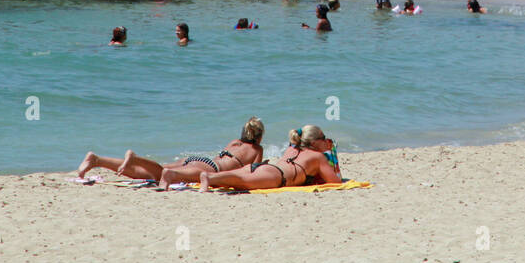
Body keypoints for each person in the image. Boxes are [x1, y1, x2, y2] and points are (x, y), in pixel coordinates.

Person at [74, 116, 266, 187]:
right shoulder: (257, 149)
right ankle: (135, 158)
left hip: (198, 159)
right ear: (259, 136)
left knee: (152, 172)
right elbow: (253, 170)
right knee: (163, 174)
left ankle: (97, 160)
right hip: (211, 167)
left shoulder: (235, 142)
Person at [198, 124, 341, 192]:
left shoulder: (292, 147)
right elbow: (335, 181)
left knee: (233, 177)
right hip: (276, 176)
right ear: (315, 142)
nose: (326, 140)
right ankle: (209, 177)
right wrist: (331, 153)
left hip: (266, 168)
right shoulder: (317, 157)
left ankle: (209, 177)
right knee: (240, 181)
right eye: (323, 138)